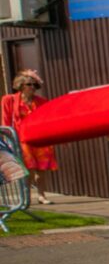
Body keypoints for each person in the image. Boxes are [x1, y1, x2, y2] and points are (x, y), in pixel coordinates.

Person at [1, 70, 56, 203]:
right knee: (29, 168)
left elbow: (48, 119)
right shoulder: (9, 100)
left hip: (40, 138)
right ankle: (26, 196)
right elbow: (5, 120)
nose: (32, 87)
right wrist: (7, 138)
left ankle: (42, 195)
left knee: (42, 168)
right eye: (29, 84)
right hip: (21, 139)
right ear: (21, 86)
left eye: (34, 85)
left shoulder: (42, 101)